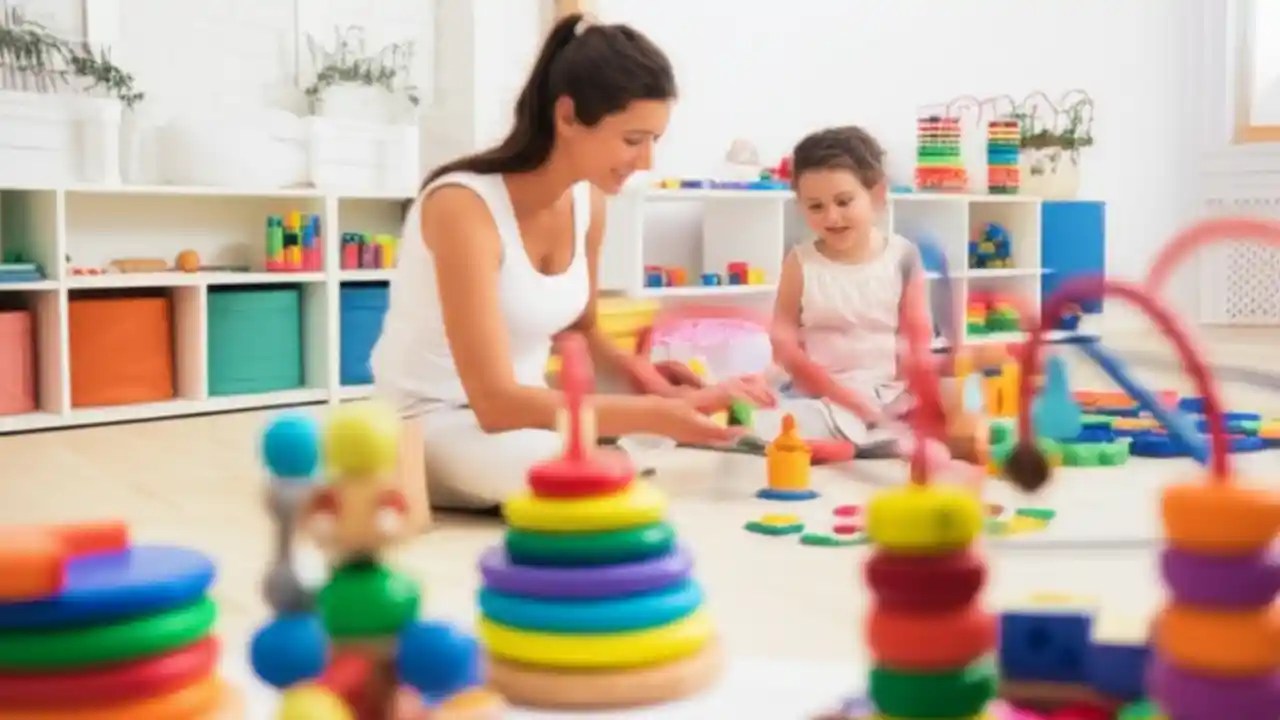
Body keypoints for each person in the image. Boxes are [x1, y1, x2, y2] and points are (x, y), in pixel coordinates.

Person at [370, 13, 772, 511]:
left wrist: (649, 383)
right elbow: (494, 403)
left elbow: (580, 331)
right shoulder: (463, 207)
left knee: (609, 463)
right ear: (567, 117)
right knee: (583, 468)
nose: (647, 161)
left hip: (524, 417)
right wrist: (653, 415)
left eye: (655, 140)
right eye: (632, 140)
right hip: (430, 424)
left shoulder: (589, 204)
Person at [754, 126, 933, 455]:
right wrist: (839, 395)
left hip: (887, 393)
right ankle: (851, 443)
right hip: (819, 393)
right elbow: (784, 344)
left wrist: (912, 395)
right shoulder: (800, 262)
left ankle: (854, 442)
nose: (832, 217)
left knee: (949, 406)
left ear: (877, 195)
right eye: (816, 207)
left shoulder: (903, 256)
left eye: (843, 202)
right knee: (773, 420)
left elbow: (918, 339)